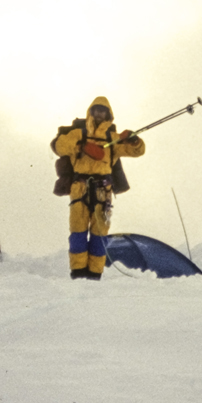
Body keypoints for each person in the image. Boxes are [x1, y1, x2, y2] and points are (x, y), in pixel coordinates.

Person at [52, 97, 146, 280]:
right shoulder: (79, 133)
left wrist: (135, 140)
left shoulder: (113, 138)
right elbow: (59, 146)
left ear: (108, 114)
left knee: (99, 235)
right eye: (96, 110)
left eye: (102, 111)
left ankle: (95, 275)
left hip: (103, 192)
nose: (99, 114)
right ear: (91, 112)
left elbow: (137, 151)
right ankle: (78, 273)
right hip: (80, 189)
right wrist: (81, 146)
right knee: (77, 232)